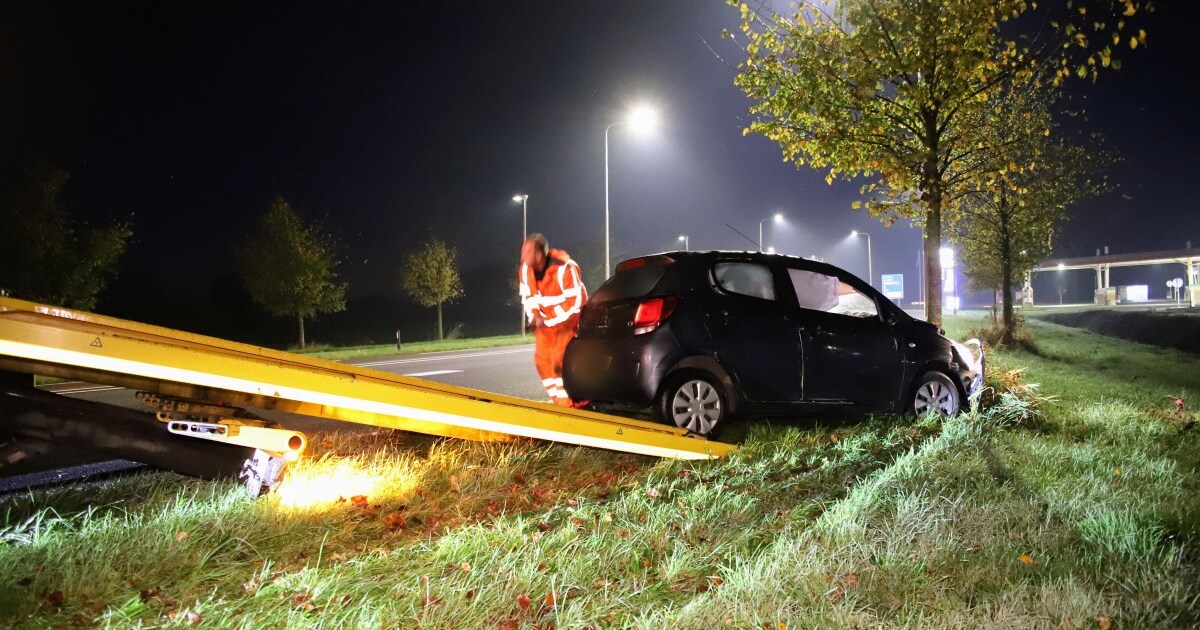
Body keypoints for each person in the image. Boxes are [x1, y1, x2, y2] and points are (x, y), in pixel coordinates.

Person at [518, 233, 587, 406]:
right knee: (541, 358)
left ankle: (570, 404)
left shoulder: (565, 268)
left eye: (526, 252)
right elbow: (528, 297)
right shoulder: (525, 270)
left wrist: (548, 317)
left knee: (558, 356)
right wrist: (535, 315)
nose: (522, 256)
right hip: (546, 320)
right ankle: (558, 401)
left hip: (570, 317)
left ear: (539, 255)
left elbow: (574, 302)